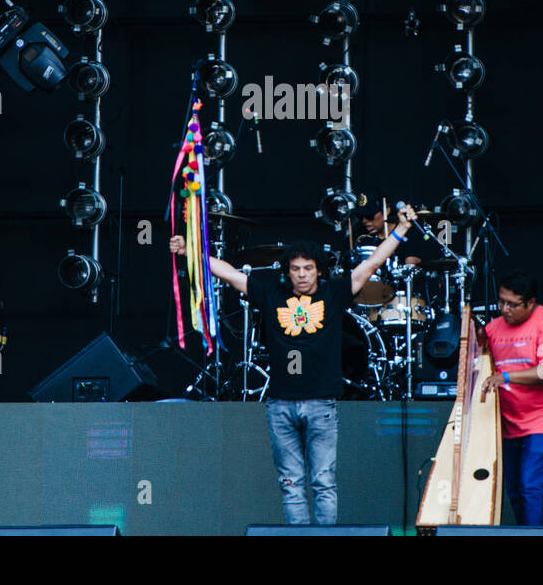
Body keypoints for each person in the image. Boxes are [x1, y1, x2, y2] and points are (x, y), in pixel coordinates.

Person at [170, 204, 421, 525]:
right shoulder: (270, 292)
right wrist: (189, 252)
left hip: (321, 403)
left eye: (308, 268)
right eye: (296, 269)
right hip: (280, 405)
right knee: (291, 485)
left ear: (319, 270)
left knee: (323, 484)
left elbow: (370, 264)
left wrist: (402, 230)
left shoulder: (334, 292)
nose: (301, 274)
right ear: (287, 271)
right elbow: (230, 273)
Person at [477, 272, 543, 527]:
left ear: (531, 303)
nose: (504, 309)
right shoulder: (494, 328)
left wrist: (505, 377)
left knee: (532, 487)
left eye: (512, 304)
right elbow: (476, 355)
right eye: (501, 302)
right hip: (509, 424)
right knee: (516, 492)